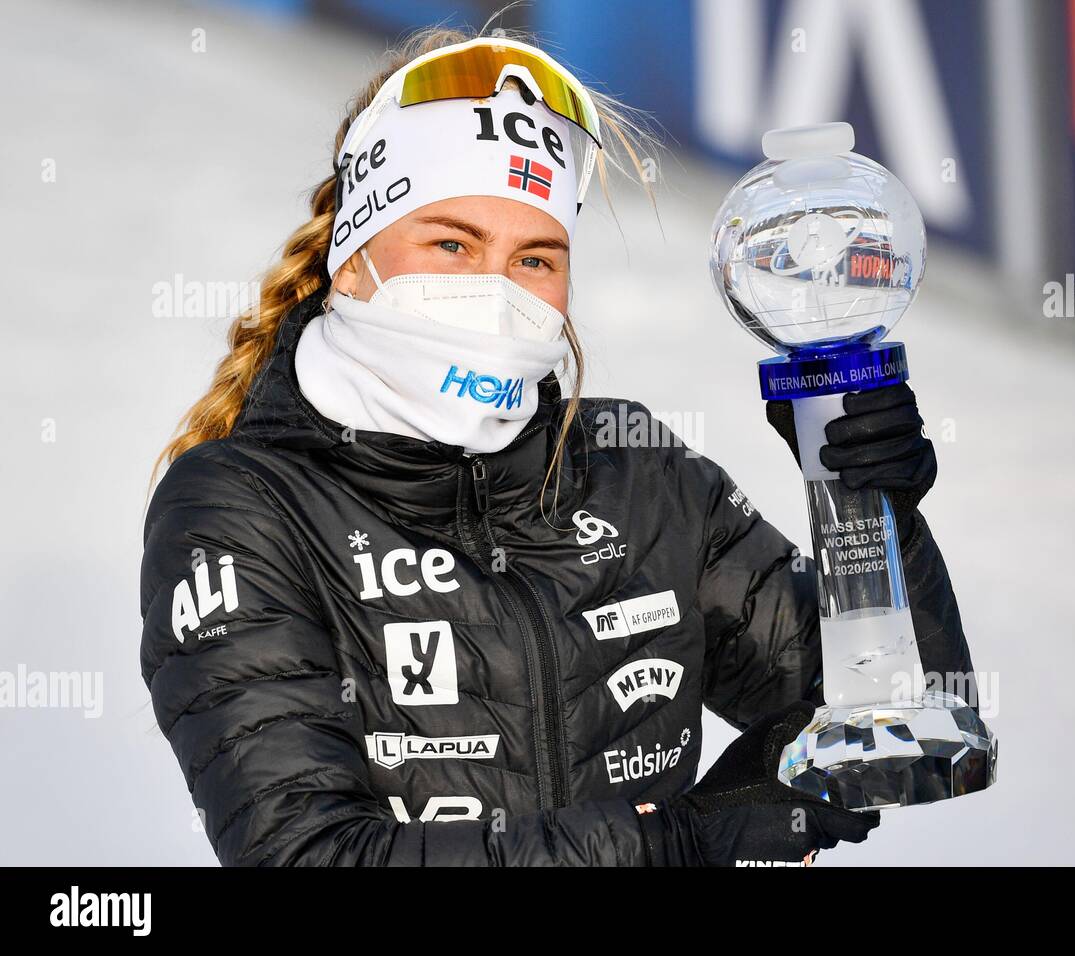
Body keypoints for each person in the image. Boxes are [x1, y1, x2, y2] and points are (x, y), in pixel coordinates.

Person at [140, 25, 977, 866]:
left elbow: (904, 725)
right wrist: (673, 844)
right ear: (351, 260)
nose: (497, 289)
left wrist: (875, 514)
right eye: (452, 243)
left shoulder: (635, 469)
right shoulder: (237, 506)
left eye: (536, 257)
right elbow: (306, 854)